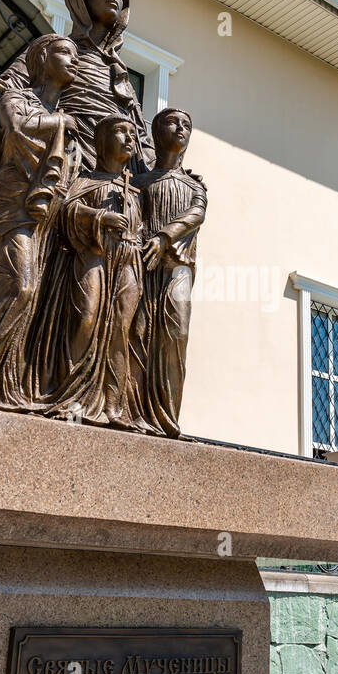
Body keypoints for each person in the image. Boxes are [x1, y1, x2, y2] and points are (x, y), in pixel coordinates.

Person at [0, 34, 77, 410]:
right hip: (9, 206)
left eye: (75, 54)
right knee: (17, 288)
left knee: (31, 297)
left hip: (46, 217)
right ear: (41, 59)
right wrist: (61, 121)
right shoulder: (17, 97)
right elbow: (18, 126)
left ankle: (5, 383)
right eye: (64, 52)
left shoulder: (64, 115)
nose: (73, 59)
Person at [0, 0, 154, 174]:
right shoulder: (53, 51)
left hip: (113, 174)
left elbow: (143, 141)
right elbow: (8, 93)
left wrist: (168, 171)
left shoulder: (119, 72)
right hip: (66, 157)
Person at [38, 116, 150, 430]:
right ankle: (70, 398)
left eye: (132, 134)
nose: (129, 139)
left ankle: (114, 406)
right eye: (120, 132)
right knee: (85, 317)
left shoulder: (136, 191)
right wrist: (100, 217)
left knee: (120, 329)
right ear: (101, 142)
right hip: (93, 256)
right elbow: (66, 213)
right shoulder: (86, 181)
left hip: (128, 261)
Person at [133, 109, 207, 436]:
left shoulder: (195, 185)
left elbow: (196, 214)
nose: (181, 129)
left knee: (175, 334)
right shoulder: (138, 181)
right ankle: (134, 410)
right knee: (136, 333)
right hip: (139, 268)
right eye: (172, 123)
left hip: (177, 269)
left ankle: (166, 417)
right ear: (155, 132)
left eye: (186, 125)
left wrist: (163, 238)